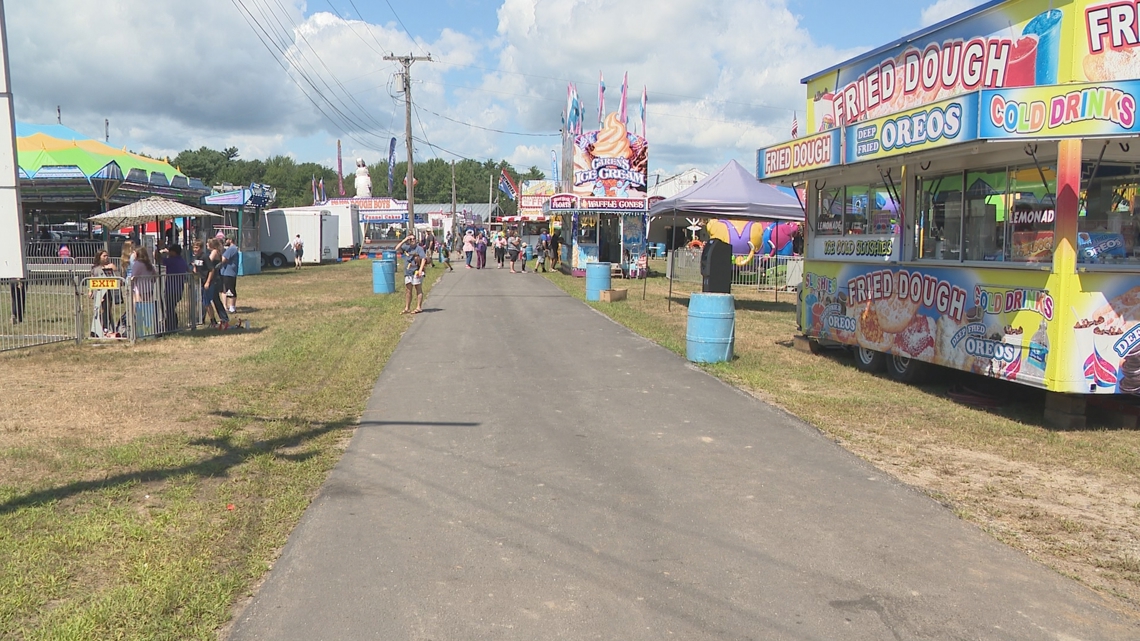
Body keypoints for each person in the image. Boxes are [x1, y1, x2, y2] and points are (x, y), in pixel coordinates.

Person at [131, 246, 159, 338]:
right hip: (148, 288)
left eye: (134, 252)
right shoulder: (149, 264)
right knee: (147, 309)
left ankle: (140, 331)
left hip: (139, 289)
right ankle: (148, 329)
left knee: (138, 309)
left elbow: (133, 276)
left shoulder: (137, 264)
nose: (133, 254)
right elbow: (154, 275)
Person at [395, 234, 426, 314]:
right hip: (408, 272)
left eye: (414, 239)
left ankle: (418, 307)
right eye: (411, 239)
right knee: (408, 290)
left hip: (416, 271)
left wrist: (420, 270)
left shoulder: (419, 249)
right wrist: (404, 240)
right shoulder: (406, 247)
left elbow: (423, 259)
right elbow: (396, 249)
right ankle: (407, 308)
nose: (413, 240)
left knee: (418, 288)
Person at [89, 250, 117, 337]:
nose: (106, 257)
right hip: (97, 291)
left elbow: (116, 275)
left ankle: (106, 327)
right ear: (99, 257)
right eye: (104, 256)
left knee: (106, 309)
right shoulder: (95, 268)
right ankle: (98, 328)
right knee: (98, 309)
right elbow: (92, 278)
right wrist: (90, 290)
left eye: (107, 256)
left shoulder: (110, 266)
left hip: (107, 291)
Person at [161, 244, 189, 333]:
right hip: (179, 288)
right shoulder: (182, 260)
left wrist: (159, 252)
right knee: (171, 307)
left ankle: (171, 326)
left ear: (174, 252)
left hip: (171, 288)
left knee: (169, 308)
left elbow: (160, 261)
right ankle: (172, 325)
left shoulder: (172, 260)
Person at [205, 238, 230, 328]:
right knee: (214, 299)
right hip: (216, 277)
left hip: (215, 278)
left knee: (215, 299)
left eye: (208, 243)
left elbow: (208, 261)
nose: (206, 245)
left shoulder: (214, 252)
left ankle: (224, 318)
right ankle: (220, 319)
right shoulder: (216, 251)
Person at [191, 240, 215, 326]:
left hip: (206, 282)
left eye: (197, 247)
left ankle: (213, 320)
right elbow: (196, 268)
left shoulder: (205, 257)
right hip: (199, 282)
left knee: (207, 302)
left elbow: (212, 270)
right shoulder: (196, 257)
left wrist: (208, 282)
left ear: (201, 248)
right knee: (202, 302)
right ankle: (201, 319)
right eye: (194, 247)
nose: (195, 249)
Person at [219, 236, 239, 313]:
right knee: (224, 290)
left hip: (229, 273)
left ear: (230, 240)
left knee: (230, 290)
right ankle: (225, 306)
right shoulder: (230, 249)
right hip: (225, 272)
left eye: (227, 239)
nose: (225, 241)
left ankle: (232, 307)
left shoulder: (232, 249)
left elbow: (223, 259)